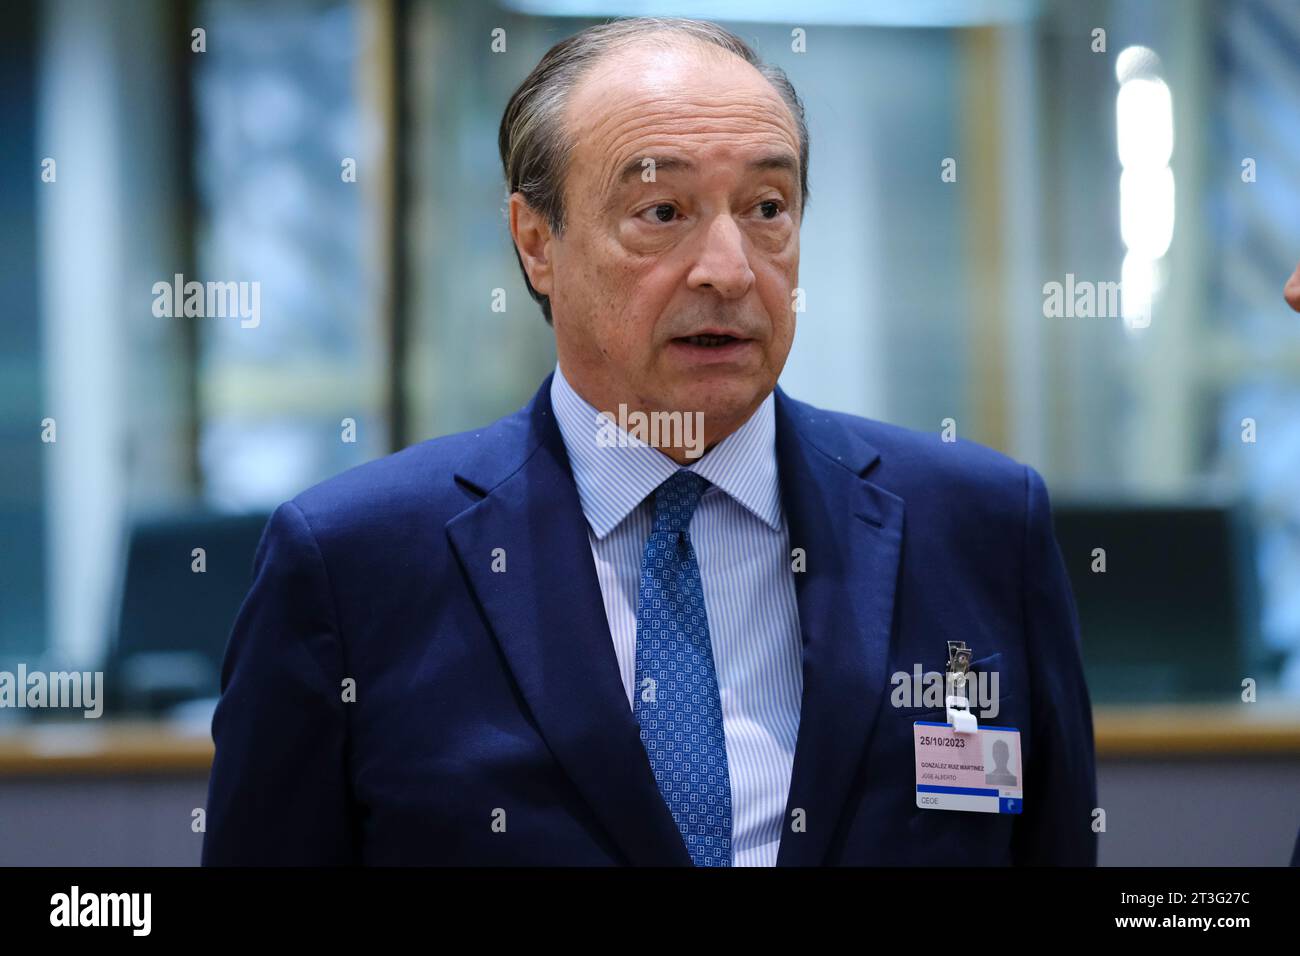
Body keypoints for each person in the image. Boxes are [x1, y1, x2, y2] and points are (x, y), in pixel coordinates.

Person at [202, 17, 1097, 866]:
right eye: (662, 212)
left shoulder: (980, 527)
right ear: (535, 241)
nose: (730, 268)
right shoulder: (354, 565)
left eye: (768, 207)